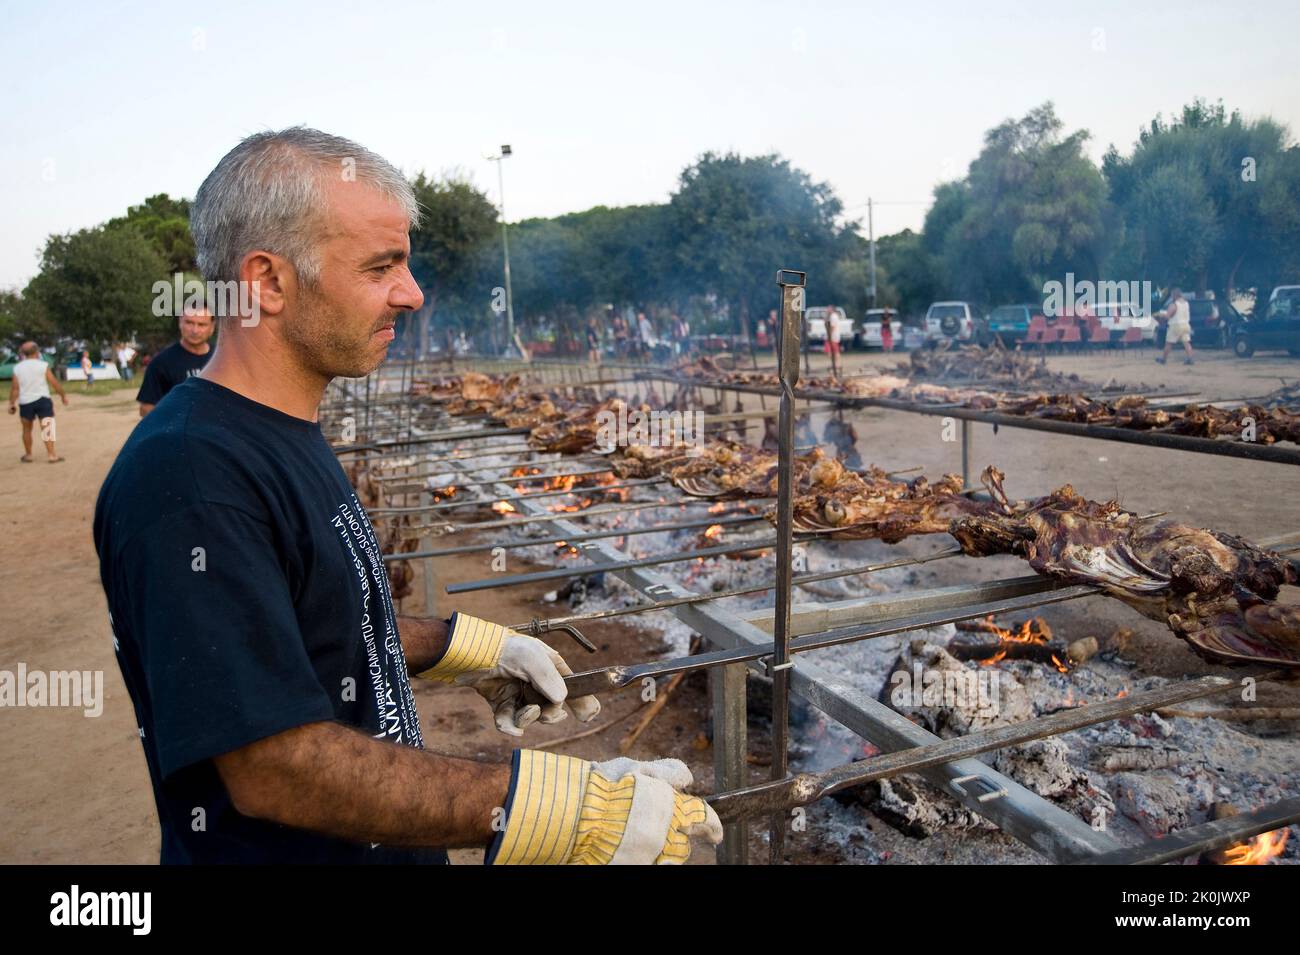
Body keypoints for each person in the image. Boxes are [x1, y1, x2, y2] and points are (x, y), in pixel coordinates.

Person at [94, 127, 721, 865]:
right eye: (380, 266)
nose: (412, 293)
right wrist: (550, 807)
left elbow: (319, 612)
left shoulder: (278, 429)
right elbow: (274, 764)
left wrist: (476, 648)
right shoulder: (192, 477)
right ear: (266, 281)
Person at [136, 304, 215, 416]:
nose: (195, 330)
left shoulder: (222, 358)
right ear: (180, 322)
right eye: (189, 323)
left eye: (202, 324)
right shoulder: (161, 362)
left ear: (212, 327)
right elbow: (146, 408)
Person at [8, 341, 68, 463]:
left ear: (23, 354)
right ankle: (51, 455)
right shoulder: (43, 365)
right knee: (47, 427)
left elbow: (15, 388)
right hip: (43, 400)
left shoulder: (18, 368)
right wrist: (63, 396)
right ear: (37, 351)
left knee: (26, 429)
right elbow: (54, 383)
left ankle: (29, 454)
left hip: (25, 402)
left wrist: (11, 403)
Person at [1154, 287, 1194, 366]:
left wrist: (1160, 315)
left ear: (1174, 295)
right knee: (1186, 343)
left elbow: (1168, 315)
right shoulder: (1186, 303)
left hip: (1175, 325)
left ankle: (1163, 359)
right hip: (1186, 325)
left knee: (1169, 343)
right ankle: (1190, 358)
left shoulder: (1174, 304)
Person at [825, 305, 843, 378]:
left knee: (833, 351)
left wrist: (829, 336)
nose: (827, 309)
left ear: (831, 309)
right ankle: (836, 364)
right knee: (834, 351)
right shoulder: (832, 316)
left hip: (832, 336)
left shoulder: (833, 316)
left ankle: (836, 364)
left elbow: (832, 326)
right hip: (833, 336)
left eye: (828, 308)